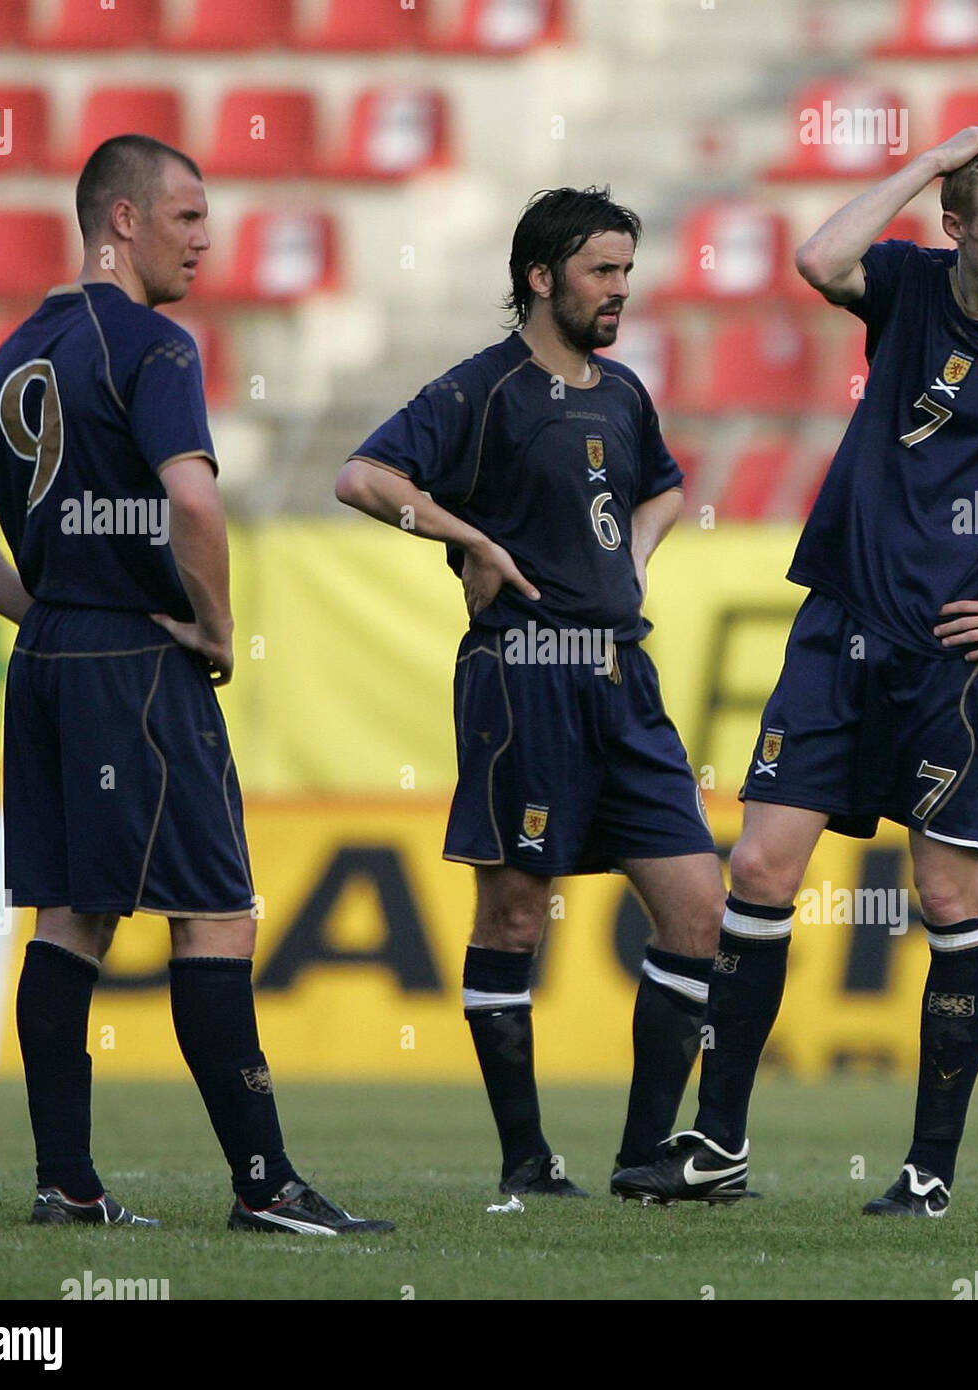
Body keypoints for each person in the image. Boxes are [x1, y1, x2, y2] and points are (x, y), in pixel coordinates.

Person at [611, 128, 978, 1211]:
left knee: (945, 893)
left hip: (950, 655)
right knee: (760, 873)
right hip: (835, 626)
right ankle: (718, 1144)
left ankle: (926, 1171)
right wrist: (926, 161)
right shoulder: (908, 286)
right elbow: (818, 260)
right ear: (955, 226)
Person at [0, 134, 392, 1237]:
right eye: (185, 216)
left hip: (48, 664)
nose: (205, 239)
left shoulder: (15, 350)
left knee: (69, 920)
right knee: (215, 913)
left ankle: (65, 1183)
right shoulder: (155, 346)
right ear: (120, 221)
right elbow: (198, 503)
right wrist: (214, 628)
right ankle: (264, 1186)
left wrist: (39, 612)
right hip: (138, 657)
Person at [335, 186, 725, 1196]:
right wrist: (469, 539)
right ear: (538, 276)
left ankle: (644, 1159)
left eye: (626, 273)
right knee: (513, 916)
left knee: (696, 907)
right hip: (521, 680)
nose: (618, 292)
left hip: (621, 677)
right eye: (601, 272)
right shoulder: (483, 390)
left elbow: (665, 486)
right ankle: (524, 1162)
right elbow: (364, 478)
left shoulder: (622, 389)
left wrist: (637, 554)